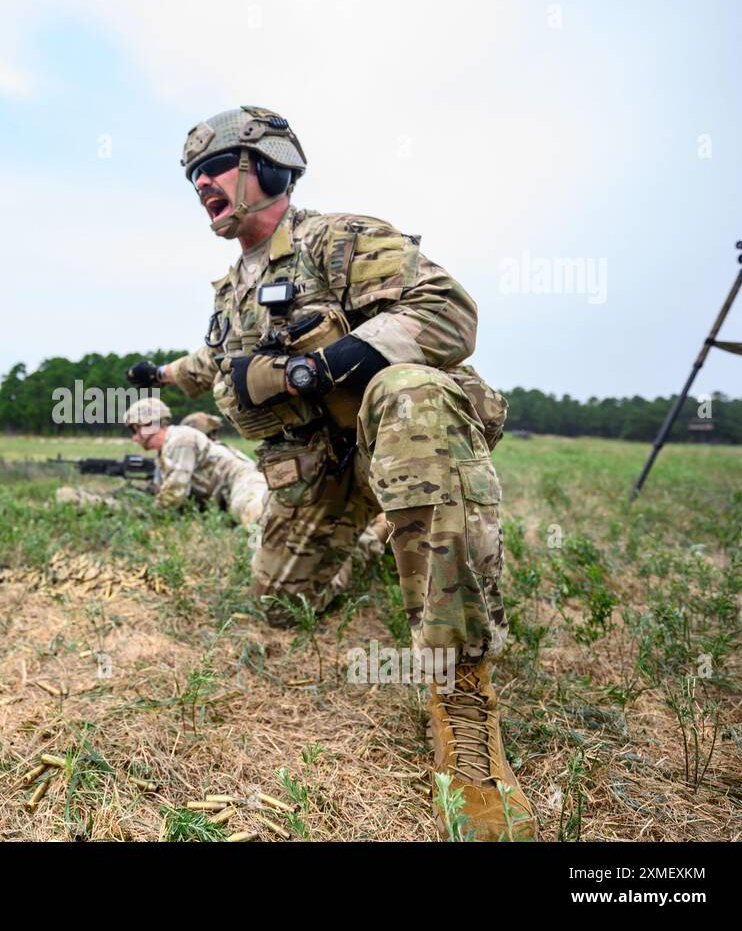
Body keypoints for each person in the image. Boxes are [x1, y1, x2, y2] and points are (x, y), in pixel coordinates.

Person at [125, 106, 531, 840]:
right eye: (192, 176)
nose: (201, 184)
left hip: (396, 443)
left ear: (267, 165)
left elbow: (448, 312)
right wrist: (160, 372)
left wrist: (312, 370)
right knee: (280, 604)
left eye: (215, 167)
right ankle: (382, 539)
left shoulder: (336, 240)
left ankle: (460, 686)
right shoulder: (229, 294)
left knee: (411, 392)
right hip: (316, 476)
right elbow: (209, 367)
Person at [123, 397, 268, 526]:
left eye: (134, 430)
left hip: (241, 480)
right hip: (226, 493)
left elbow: (175, 491)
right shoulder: (164, 455)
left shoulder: (180, 439)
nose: (134, 438)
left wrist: (149, 517)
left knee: (255, 514)